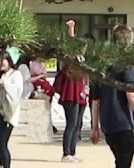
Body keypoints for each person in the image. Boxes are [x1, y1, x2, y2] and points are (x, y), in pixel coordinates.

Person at [90, 25, 134, 168]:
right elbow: (131, 95)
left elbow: (95, 100)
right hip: (122, 121)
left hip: (107, 124)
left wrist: (95, 127)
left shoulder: (101, 64)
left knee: (120, 160)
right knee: (127, 152)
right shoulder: (127, 64)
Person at [55, 19, 90, 163]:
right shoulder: (69, 59)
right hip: (71, 94)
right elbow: (69, 44)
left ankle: (73, 151)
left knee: (77, 124)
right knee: (71, 123)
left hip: (81, 93)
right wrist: (71, 29)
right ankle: (66, 153)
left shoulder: (82, 59)